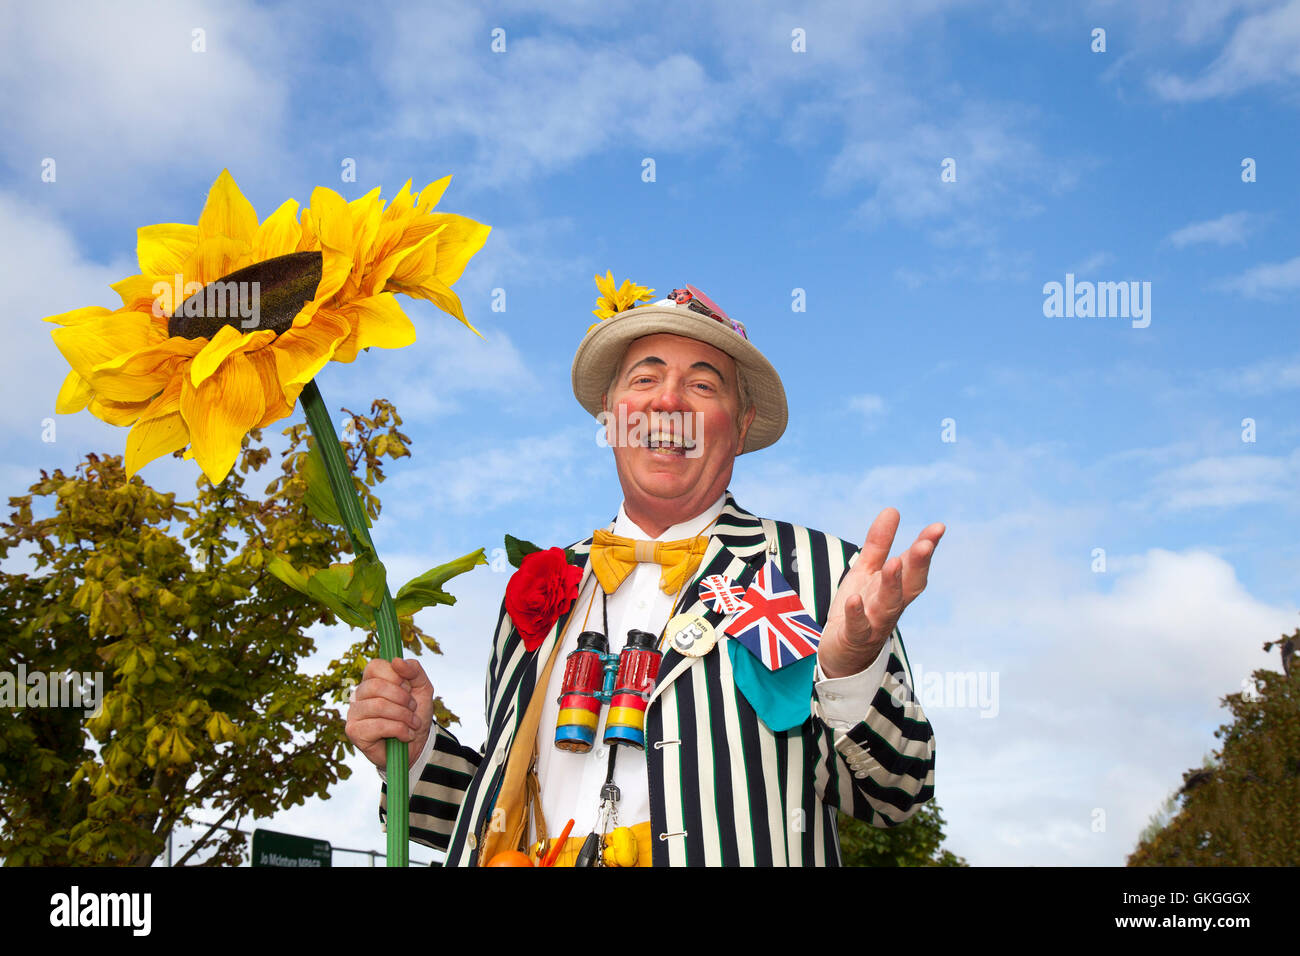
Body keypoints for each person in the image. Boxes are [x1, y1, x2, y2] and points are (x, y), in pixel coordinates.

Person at [346, 284, 944, 866]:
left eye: (703, 384)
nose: (668, 403)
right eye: (645, 379)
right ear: (611, 419)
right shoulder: (538, 587)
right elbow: (507, 813)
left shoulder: (821, 574)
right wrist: (415, 753)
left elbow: (897, 792)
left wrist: (850, 668)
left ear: (740, 426)